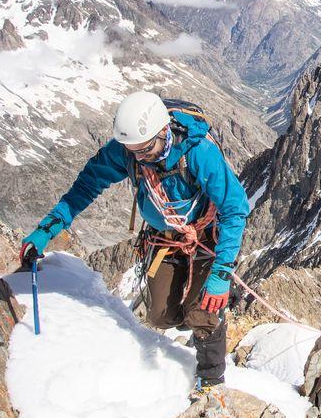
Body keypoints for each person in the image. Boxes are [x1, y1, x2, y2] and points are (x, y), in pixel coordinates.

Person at [19, 91, 249, 393]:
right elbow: (85, 187)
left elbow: (235, 208)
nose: (140, 158)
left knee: (202, 311)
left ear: (164, 131)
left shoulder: (198, 153)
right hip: (164, 241)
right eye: (133, 151)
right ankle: (194, 319)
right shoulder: (127, 152)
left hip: (206, 238)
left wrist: (221, 273)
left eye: (146, 150)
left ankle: (210, 379)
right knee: (160, 316)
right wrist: (46, 230)